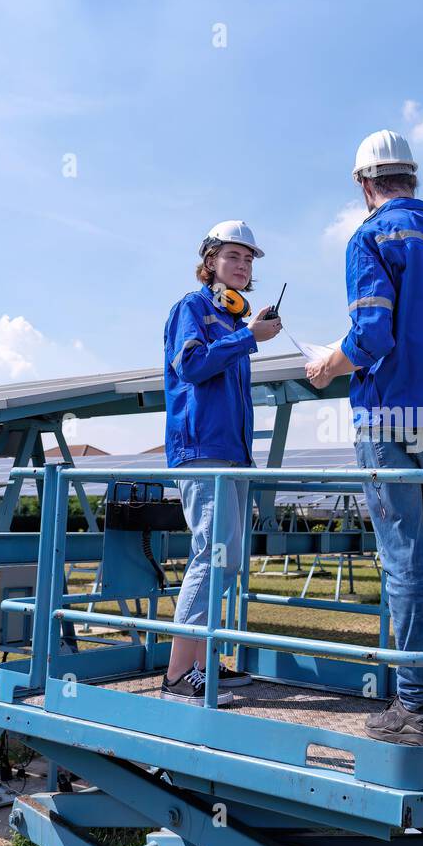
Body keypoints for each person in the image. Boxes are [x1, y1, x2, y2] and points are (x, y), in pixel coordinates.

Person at [306, 130, 423, 745]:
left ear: (365, 186)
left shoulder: (370, 237)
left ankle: (413, 710)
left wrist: (327, 365)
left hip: (388, 415)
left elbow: (372, 335)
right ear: (412, 179)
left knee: (404, 559)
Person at [161, 220, 282, 705]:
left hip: (233, 453)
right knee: (211, 553)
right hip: (201, 448)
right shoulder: (191, 308)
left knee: (227, 560)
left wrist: (245, 334)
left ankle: (203, 662)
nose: (242, 265)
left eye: (249, 259)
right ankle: (176, 675)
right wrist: (248, 337)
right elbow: (189, 366)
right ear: (210, 260)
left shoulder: (234, 323)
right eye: (233, 256)